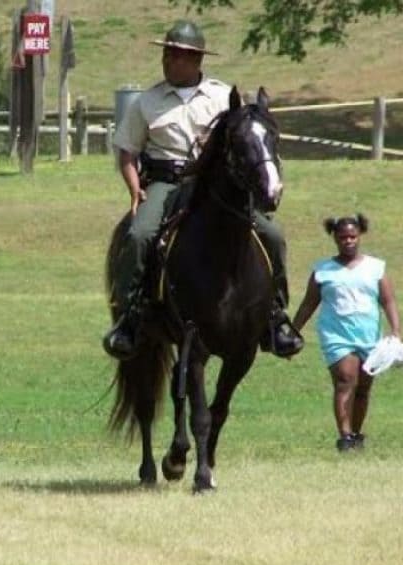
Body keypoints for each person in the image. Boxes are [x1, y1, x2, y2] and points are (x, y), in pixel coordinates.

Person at [103, 19, 302, 360]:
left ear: (196, 60)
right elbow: (127, 152)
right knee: (139, 235)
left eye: (176, 55)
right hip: (166, 182)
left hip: (214, 184)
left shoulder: (223, 97)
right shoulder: (146, 102)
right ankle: (129, 316)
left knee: (273, 234)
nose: (168, 60)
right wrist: (135, 190)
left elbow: (246, 141)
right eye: (167, 53)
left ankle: (275, 316)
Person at [291, 215, 401, 451]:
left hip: (368, 335)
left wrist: (396, 331)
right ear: (335, 238)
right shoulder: (322, 270)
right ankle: (345, 436)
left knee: (363, 388)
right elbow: (309, 304)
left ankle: (356, 434)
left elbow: (388, 300)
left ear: (360, 235)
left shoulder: (375, 268)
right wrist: (294, 331)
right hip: (336, 335)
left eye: (352, 236)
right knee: (345, 380)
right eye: (343, 237)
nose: (348, 241)